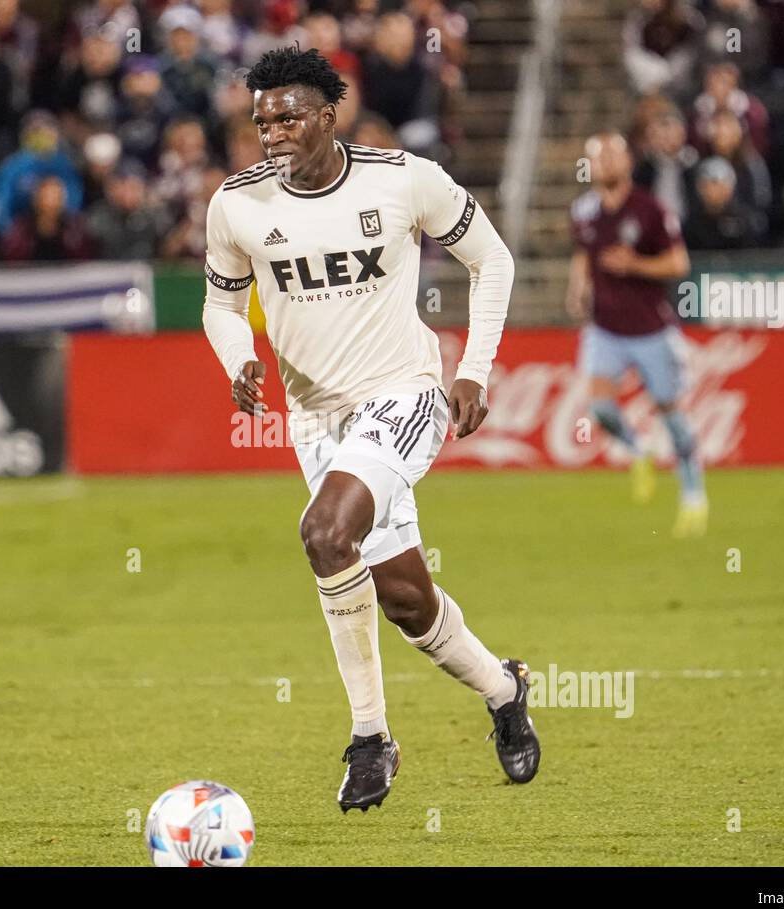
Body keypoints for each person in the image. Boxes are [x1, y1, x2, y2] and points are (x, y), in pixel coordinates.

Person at [200, 47, 535, 813]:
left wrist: (474, 369)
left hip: (404, 393)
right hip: (316, 420)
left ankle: (369, 738)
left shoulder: (402, 178)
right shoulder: (237, 204)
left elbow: (492, 259)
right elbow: (221, 304)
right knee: (406, 602)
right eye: (261, 119)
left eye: (287, 114)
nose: (272, 129)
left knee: (323, 533)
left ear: (327, 113)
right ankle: (503, 688)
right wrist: (237, 357)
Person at [566, 132, 708, 538]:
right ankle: (638, 450)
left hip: (650, 329)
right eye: (597, 156)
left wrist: (635, 265)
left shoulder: (649, 210)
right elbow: (583, 255)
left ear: (627, 162)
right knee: (600, 408)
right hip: (605, 328)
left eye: (613, 155)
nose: (605, 163)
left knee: (670, 411)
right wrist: (577, 289)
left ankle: (693, 494)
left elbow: (679, 262)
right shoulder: (584, 211)